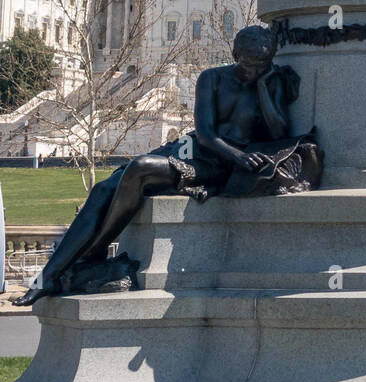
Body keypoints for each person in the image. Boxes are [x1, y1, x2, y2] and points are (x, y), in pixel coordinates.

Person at [14, 26, 321, 307]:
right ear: (235, 56)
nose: (254, 71)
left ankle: (85, 256)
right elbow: (206, 133)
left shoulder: (273, 82)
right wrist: (238, 155)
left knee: (139, 168)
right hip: (199, 150)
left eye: (261, 65)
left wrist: (265, 87)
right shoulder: (212, 78)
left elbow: (280, 131)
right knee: (104, 187)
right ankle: (51, 275)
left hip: (218, 169)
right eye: (249, 64)